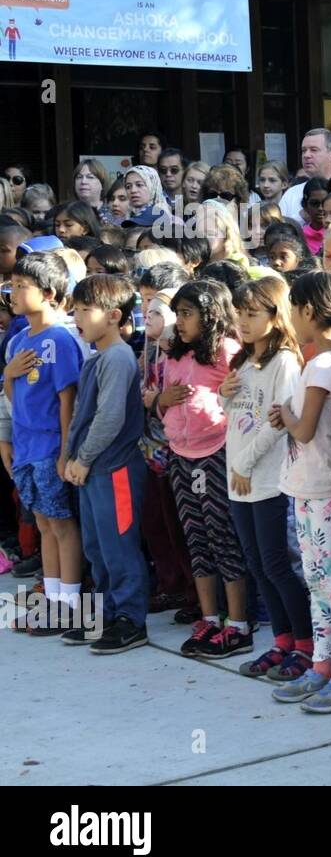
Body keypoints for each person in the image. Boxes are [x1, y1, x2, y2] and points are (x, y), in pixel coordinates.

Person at [268, 271, 331, 711]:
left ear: (307, 311)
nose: (290, 316)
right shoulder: (321, 362)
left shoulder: (322, 365)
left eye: (292, 308)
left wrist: (286, 413)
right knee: (317, 580)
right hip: (310, 486)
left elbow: (305, 429)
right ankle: (322, 665)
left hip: (324, 486)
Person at [220, 276, 309, 681]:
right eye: (239, 313)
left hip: (268, 478)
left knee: (277, 564)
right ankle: (282, 641)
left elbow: (277, 422)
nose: (243, 321)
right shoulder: (242, 360)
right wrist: (224, 392)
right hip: (238, 478)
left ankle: (305, 645)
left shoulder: (285, 361)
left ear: (276, 316)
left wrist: (247, 463)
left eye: (252, 314)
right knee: (257, 564)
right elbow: (237, 416)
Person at [158, 280, 249, 657]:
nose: (179, 322)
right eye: (177, 313)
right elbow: (163, 403)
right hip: (181, 454)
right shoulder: (174, 356)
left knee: (222, 535)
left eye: (186, 314)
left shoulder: (228, 352)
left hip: (215, 453)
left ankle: (239, 623)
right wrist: (161, 401)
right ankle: (210, 619)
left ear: (210, 315)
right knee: (195, 537)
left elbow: (242, 400)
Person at [61, 274, 151, 651]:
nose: (77, 316)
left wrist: (81, 458)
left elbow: (110, 417)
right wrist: (69, 456)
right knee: (97, 547)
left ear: (114, 315)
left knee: (119, 547)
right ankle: (109, 613)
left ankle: (131, 619)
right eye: (76, 309)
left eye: (85, 310)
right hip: (94, 469)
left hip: (114, 469)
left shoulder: (117, 357)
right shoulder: (98, 357)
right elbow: (84, 414)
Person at [5, 253, 84, 634]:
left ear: (50, 293)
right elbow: (11, 394)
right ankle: (51, 600)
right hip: (24, 445)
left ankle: (70, 604)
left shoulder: (61, 339)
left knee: (62, 523)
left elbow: (68, 398)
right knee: (42, 523)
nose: (13, 293)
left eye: (23, 287)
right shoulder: (18, 339)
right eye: (12, 286)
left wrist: (65, 452)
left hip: (52, 445)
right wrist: (8, 373)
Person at [279, 129, 331, 225]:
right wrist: (301, 218)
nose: (306, 155)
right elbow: (279, 230)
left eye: (314, 150)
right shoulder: (291, 194)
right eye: (304, 150)